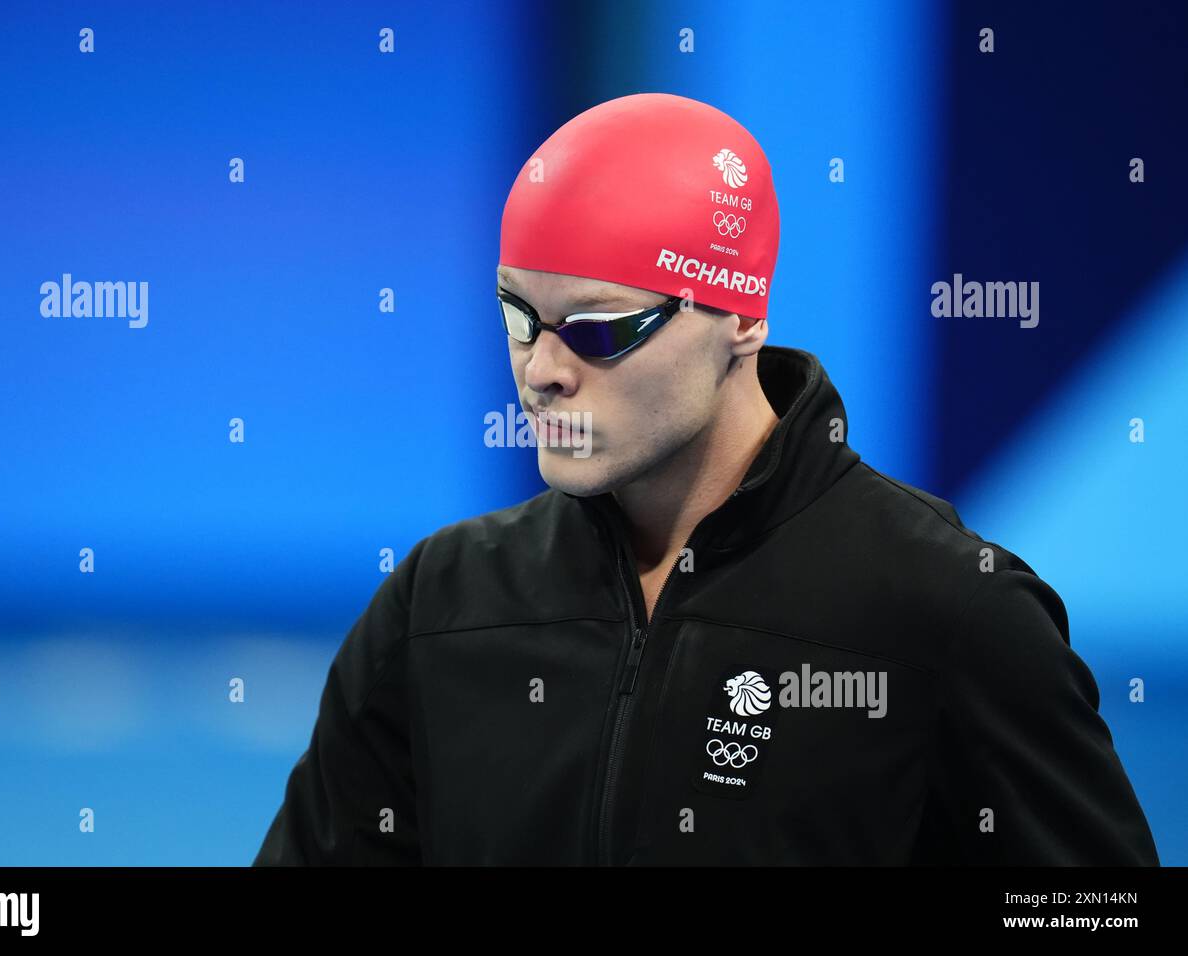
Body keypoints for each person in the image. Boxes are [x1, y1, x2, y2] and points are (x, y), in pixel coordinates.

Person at [254, 93, 1159, 865]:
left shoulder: (950, 611)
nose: (543, 370)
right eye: (519, 314)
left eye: (599, 329)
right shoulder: (444, 604)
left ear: (739, 316)